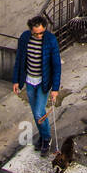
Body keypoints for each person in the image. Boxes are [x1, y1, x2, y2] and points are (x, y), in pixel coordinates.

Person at [13, 14, 62, 154]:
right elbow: (19, 60)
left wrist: (55, 89)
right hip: (29, 81)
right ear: (31, 31)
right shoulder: (24, 38)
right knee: (35, 113)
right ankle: (42, 136)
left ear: (45, 29)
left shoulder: (50, 40)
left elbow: (56, 65)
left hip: (43, 82)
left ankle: (46, 138)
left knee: (40, 111)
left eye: (41, 32)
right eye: (36, 34)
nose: (39, 36)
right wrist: (16, 80)